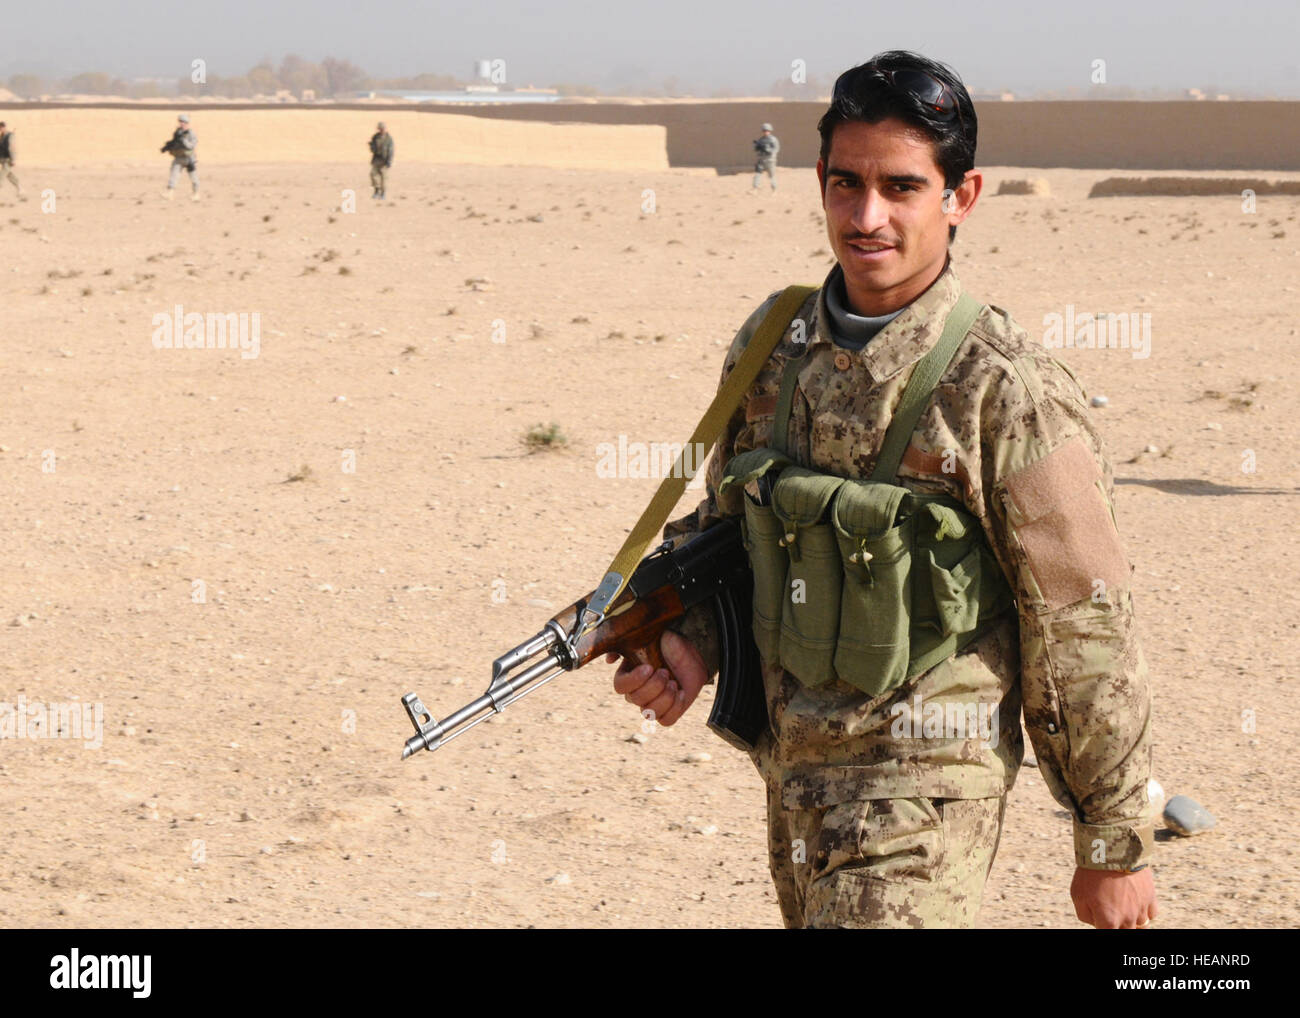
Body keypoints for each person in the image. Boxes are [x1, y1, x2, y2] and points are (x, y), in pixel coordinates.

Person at [610, 51, 1157, 929]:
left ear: (960, 197)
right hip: (795, 778)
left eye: (901, 187)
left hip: (925, 791)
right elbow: (731, 530)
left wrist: (1111, 837)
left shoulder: (1001, 388)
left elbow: (1082, 622)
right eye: (846, 184)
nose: (867, 217)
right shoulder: (772, 347)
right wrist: (692, 638)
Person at [162, 114, 199, 201]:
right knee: (174, 175)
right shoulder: (178, 132)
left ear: (187, 123)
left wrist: (184, 141)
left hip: (189, 159)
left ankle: (196, 194)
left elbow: (192, 146)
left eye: (183, 122)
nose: (181, 123)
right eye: (180, 122)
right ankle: (170, 193)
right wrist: (167, 147)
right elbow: (174, 142)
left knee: (193, 177)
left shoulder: (191, 134)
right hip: (179, 158)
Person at [369, 122, 394, 199]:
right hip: (376, 159)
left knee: (384, 177)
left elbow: (390, 151)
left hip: (384, 160)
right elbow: (373, 149)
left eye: (382, 129)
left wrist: (389, 161)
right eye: (380, 129)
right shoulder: (375, 137)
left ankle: (383, 193)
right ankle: (376, 191)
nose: (381, 130)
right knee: (374, 175)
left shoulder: (388, 139)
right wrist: (371, 146)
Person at [752, 122, 779, 191]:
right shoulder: (761, 140)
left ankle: (774, 189)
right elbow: (756, 149)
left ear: (770, 131)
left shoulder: (773, 139)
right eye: (764, 131)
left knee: (771, 175)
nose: (765, 132)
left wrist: (769, 150)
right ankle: (755, 188)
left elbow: (776, 149)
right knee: (757, 173)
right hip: (761, 159)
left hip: (770, 159)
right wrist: (758, 147)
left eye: (767, 131)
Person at [0, 122, 21, 198]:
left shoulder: (9, 136)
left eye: (1, 128)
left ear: (3, 127)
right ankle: (20, 188)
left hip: (8, 160)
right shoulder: (2, 136)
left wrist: (13, 159)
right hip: (2, 160)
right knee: (9, 175)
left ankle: (20, 188)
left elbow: (11, 148)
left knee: (1, 176)